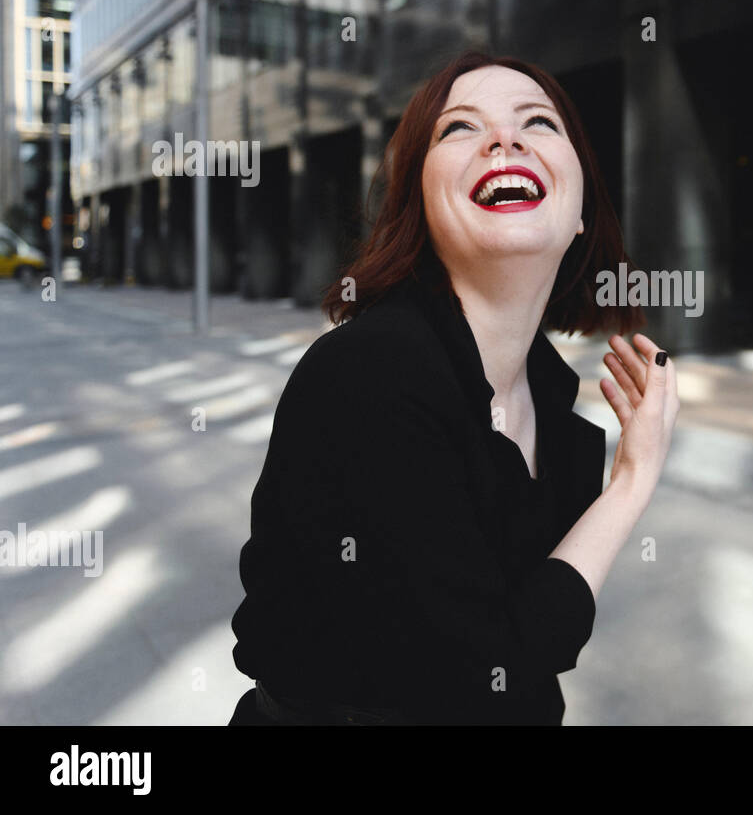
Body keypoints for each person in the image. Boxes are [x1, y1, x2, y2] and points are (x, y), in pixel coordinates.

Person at [228, 50, 679, 724]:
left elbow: (527, 637)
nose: (506, 138)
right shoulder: (365, 374)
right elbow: (491, 678)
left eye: (539, 123)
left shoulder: (551, 403)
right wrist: (633, 482)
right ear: (419, 206)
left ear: (581, 208)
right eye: (460, 128)